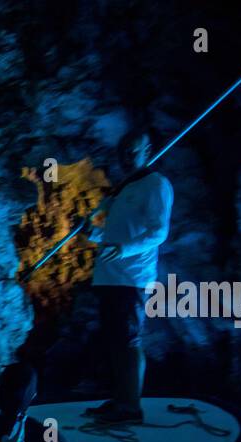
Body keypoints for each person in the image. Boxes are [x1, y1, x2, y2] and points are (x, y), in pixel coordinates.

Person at [83, 129, 174, 424]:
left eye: (133, 151)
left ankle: (132, 408)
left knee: (129, 340)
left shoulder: (156, 184)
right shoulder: (123, 189)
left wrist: (123, 250)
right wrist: (93, 234)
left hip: (132, 277)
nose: (126, 156)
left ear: (148, 152)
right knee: (115, 340)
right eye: (123, 151)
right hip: (110, 275)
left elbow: (158, 233)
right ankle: (120, 400)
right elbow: (116, 233)